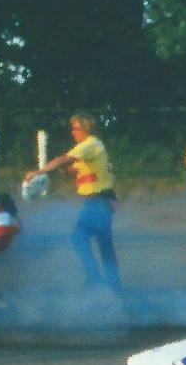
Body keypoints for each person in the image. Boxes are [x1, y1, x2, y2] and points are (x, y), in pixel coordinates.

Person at [24, 112, 122, 291]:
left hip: (99, 200)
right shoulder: (89, 148)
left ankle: (96, 280)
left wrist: (40, 172)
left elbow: (64, 159)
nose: (72, 132)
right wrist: (63, 170)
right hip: (100, 201)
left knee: (79, 238)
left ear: (86, 128)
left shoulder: (90, 144)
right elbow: (72, 170)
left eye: (76, 128)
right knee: (103, 243)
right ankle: (113, 285)